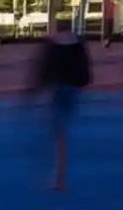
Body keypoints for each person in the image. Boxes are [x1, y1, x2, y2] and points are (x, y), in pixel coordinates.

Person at [28, 19, 91, 191]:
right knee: (61, 129)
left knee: (57, 131)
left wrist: (36, 89)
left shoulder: (51, 45)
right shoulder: (78, 45)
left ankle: (58, 175)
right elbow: (85, 71)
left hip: (55, 89)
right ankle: (59, 172)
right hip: (70, 89)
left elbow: (43, 68)